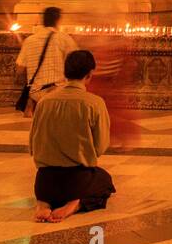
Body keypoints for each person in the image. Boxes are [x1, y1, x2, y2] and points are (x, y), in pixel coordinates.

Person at [30, 49, 115, 222]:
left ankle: (43, 203)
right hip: (77, 181)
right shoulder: (94, 103)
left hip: (44, 181)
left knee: (49, 189)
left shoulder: (44, 102)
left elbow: (32, 143)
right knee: (105, 180)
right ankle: (74, 204)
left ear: (65, 73)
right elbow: (100, 146)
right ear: (89, 74)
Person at [15, 6, 77, 112]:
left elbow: (19, 69)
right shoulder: (64, 38)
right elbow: (76, 63)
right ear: (58, 20)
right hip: (58, 91)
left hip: (36, 93)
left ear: (43, 21)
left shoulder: (29, 40)